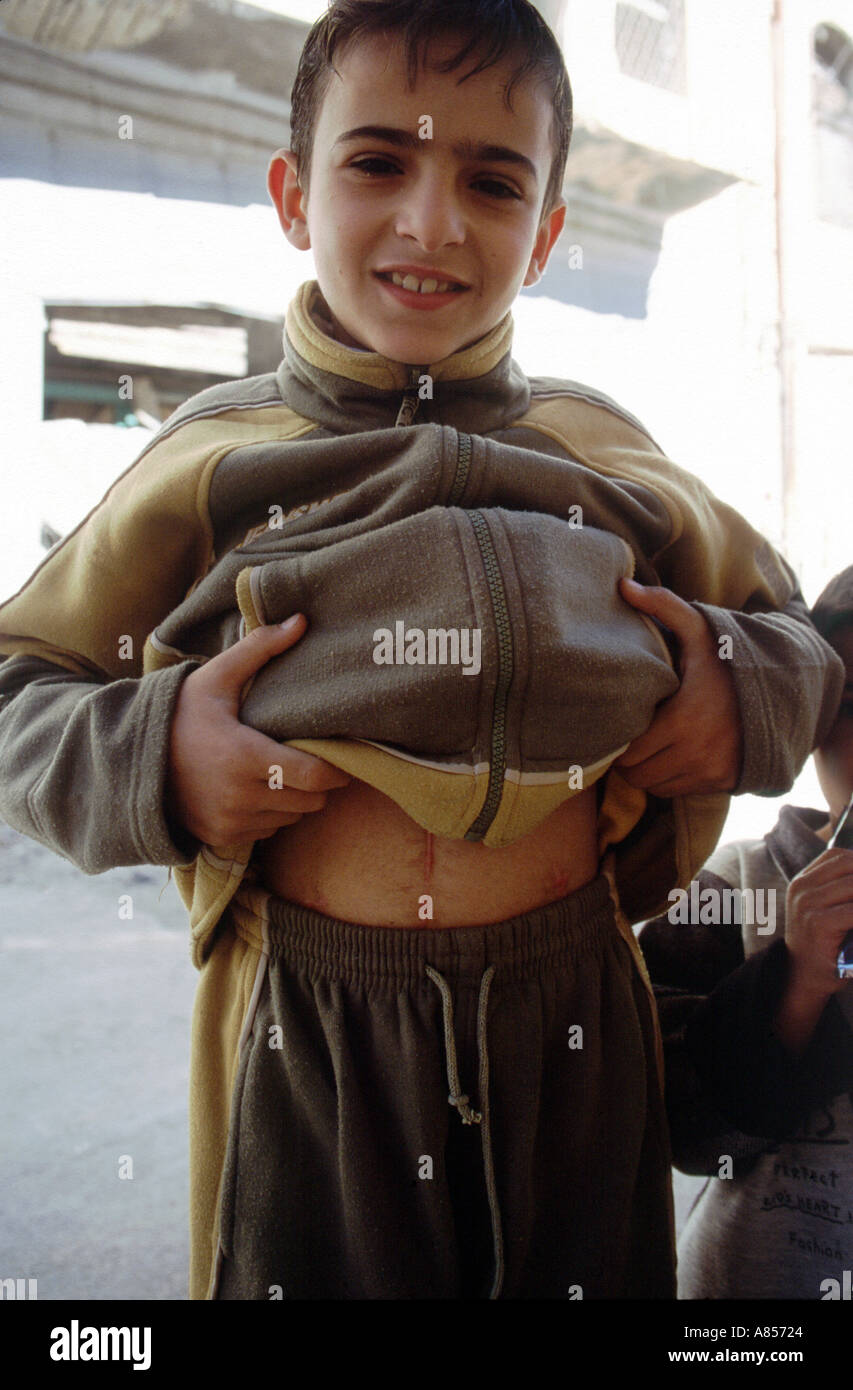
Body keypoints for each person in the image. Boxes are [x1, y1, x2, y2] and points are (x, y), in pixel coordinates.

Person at [0, 0, 843, 1300]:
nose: (433, 221)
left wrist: (737, 688)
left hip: (575, 1025)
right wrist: (156, 752)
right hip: (311, 1035)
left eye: (492, 181)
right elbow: (21, 688)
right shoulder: (215, 461)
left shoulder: (605, 457)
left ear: (550, 231)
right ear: (292, 194)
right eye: (379, 161)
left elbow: (794, 635)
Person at [639, 566, 853, 1299]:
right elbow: (675, 1128)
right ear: (809, 718)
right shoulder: (728, 887)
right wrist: (792, 982)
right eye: (852, 705)